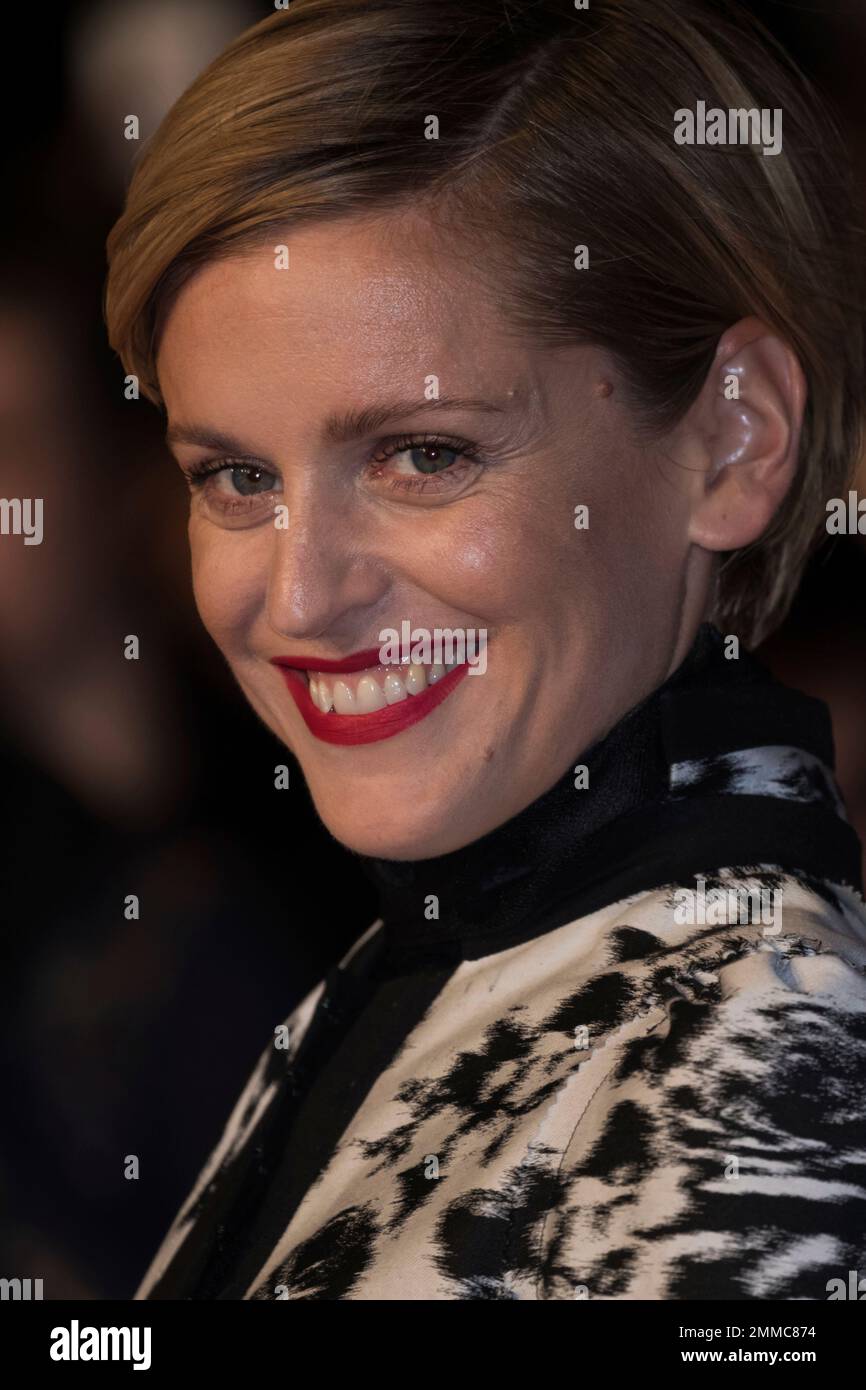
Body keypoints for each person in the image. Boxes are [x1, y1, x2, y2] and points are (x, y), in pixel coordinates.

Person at [104, 0, 866, 1299]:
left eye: (423, 455)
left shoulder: (755, 1062)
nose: (299, 595)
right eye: (236, 476)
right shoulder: (449, 960)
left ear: (732, 439)